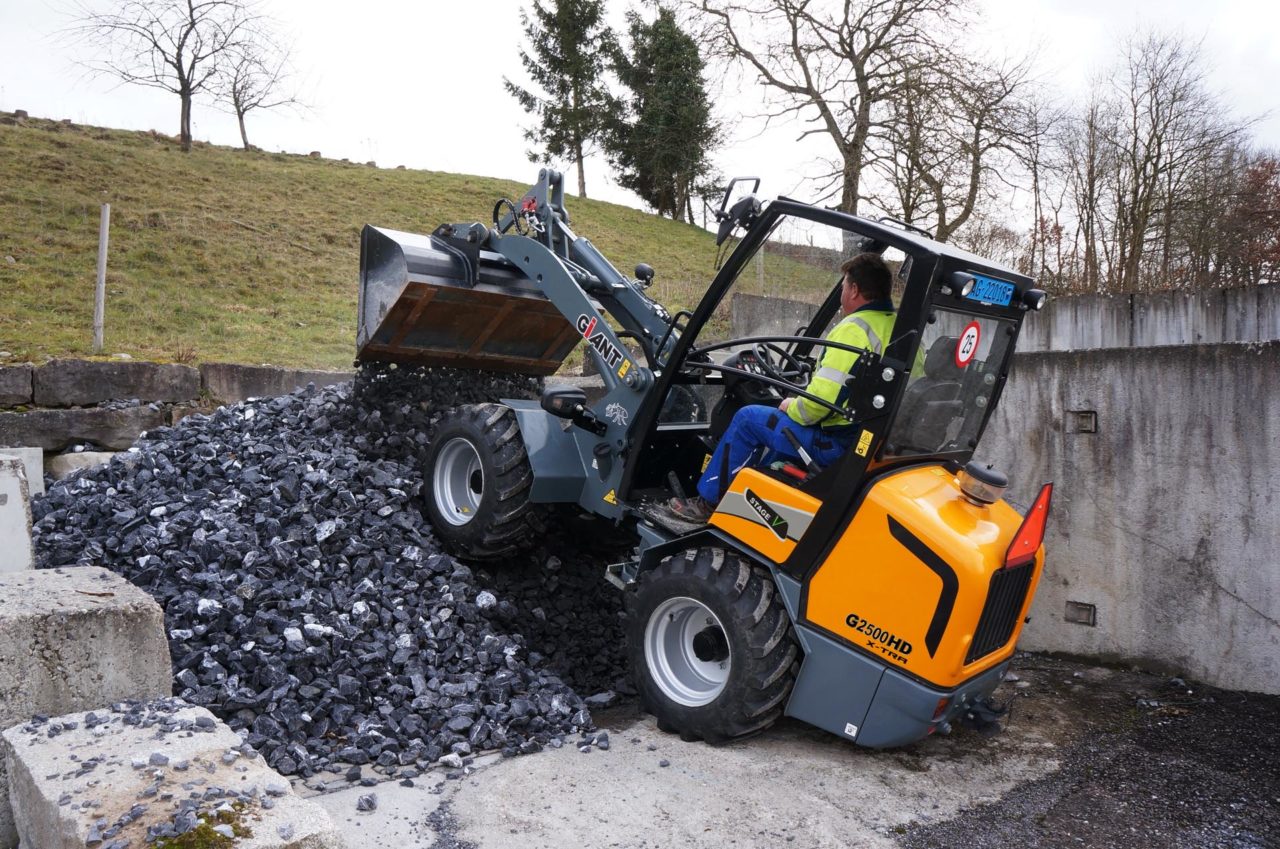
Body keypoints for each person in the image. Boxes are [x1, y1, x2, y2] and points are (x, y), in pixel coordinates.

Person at [668, 253, 897, 523]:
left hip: (836, 443)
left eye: (844, 286)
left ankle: (708, 503)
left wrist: (792, 405)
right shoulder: (896, 328)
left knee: (748, 419)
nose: (842, 293)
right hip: (872, 443)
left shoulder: (854, 330)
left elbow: (816, 405)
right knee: (779, 428)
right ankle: (758, 498)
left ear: (855, 289)